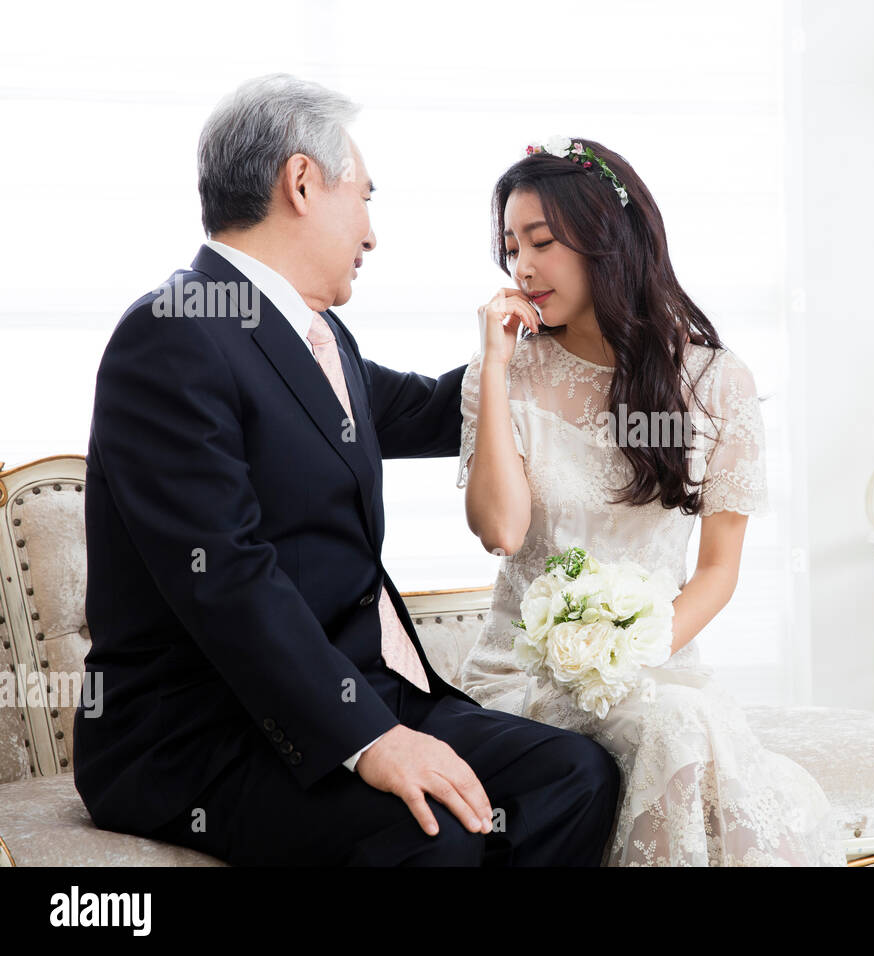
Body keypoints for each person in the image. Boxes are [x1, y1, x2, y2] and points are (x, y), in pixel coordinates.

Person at [72, 75, 620, 866]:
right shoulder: (173, 333)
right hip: (202, 733)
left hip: (362, 688)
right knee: (441, 836)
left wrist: (550, 339)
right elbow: (226, 577)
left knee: (576, 776)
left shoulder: (317, 333)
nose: (372, 233)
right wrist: (370, 740)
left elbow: (437, 408)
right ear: (302, 183)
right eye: (365, 197)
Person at [456, 136, 844, 866]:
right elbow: (501, 530)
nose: (522, 267)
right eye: (509, 248)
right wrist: (500, 367)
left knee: (678, 721)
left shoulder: (716, 382)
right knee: (676, 727)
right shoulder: (507, 372)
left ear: (609, 238)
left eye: (541, 241)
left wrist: (626, 655)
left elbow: (718, 572)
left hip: (659, 671)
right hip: (523, 675)